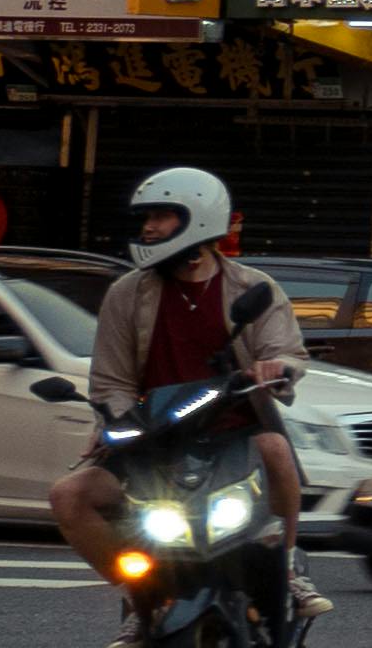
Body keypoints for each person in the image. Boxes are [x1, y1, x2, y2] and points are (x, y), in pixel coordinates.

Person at [63, 163, 308, 581]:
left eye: (161, 216)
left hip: (233, 435)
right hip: (156, 439)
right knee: (69, 496)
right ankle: (139, 596)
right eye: (147, 218)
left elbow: (286, 351)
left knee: (277, 450)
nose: (149, 228)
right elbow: (110, 382)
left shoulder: (253, 288)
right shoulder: (126, 293)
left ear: (200, 218)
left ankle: (289, 570)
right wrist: (117, 424)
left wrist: (276, 367)